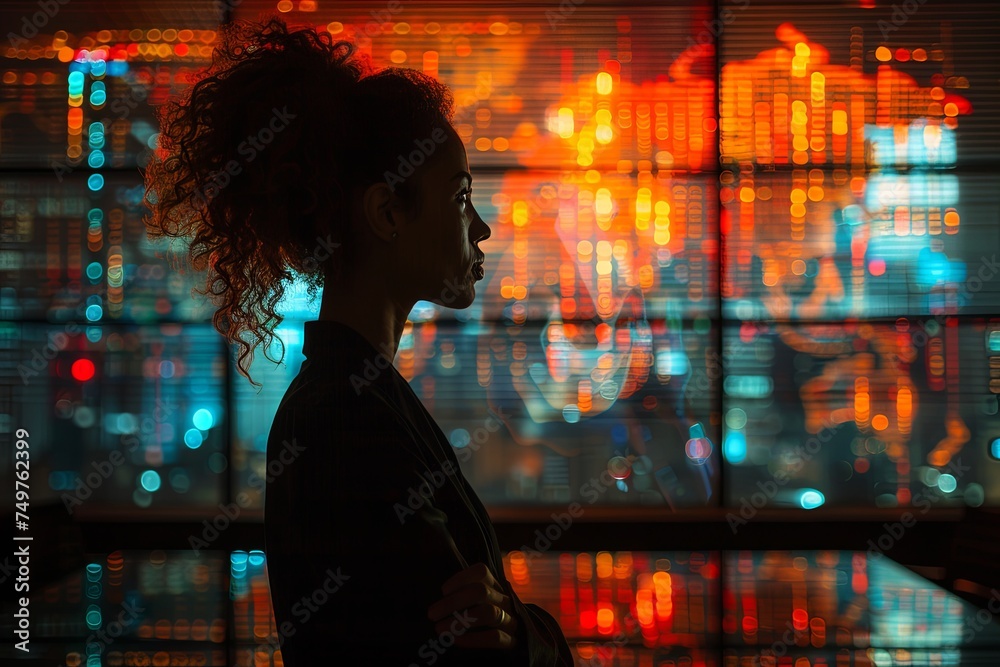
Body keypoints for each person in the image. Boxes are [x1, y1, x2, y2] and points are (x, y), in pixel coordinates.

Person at [141, 15, 574, 666]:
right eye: (460, 199)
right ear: (386, 212)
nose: (481, 227)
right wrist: (533, 636)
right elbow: (471, 647)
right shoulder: (350, 419)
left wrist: (519, 629)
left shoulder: (349, 400)